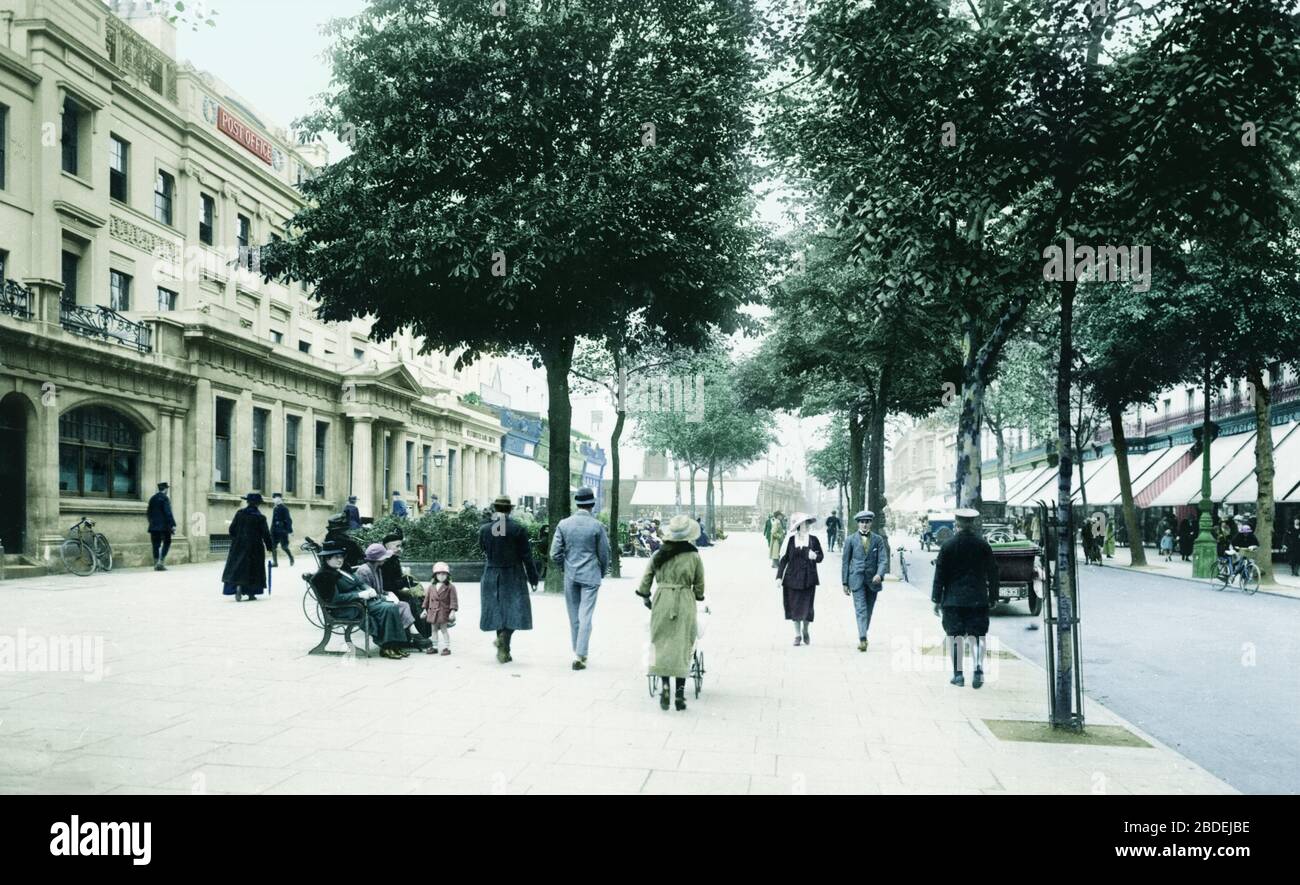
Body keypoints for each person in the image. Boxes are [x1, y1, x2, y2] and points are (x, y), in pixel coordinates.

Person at [636, 515, 706, 712]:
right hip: (684, 600)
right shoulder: (694, 556)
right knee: (683, 645)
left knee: (662, 643)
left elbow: (646, 579)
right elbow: (699, 584)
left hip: (662, 600)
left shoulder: (658, 554)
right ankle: (680, 695)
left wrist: (646, 597)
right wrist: (698, 596)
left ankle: (665, 687)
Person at [931, 508, 1000, 689]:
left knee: (955, 637)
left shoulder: (947, 546)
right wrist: (993, 596)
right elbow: (993, 572)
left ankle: (958, 675)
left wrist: (936, 599)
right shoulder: (983, 545)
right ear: (973, 523)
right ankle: (977, 671)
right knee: (978, 636)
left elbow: (940, 575)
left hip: (953, 601)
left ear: (957, 523)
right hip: (977, 599)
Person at [311, 545, 410, 659]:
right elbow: (335, 599)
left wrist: (367, 588)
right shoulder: (324, 576)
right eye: (336, 557)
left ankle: (393, 646)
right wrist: (359, 594)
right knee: (388, 608)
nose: (340, 560)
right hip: (345, 608)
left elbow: (359, 582)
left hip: (359, 603)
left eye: (341, 557)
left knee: (391, 606)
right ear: (327, 559)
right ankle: (387, 646)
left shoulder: (343, 569)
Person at [549, 487, 611, 671]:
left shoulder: (564, 524)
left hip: (571, 574)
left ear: (577, 503)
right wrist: (601, 571)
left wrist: (564, 566)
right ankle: (580, 655)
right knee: (586, 616)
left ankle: (577, 650)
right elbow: (604, 554)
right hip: (591, 575)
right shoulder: (597, 526)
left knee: (573, 615)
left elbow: (554, 553)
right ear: (592, 504)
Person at [479, 495, 539, 664]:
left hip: (491, 573)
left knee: (497, 611)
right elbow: (527, 556)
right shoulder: (518, 529)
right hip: (513, 574)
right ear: (510, 509)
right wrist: (533, 578)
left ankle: (504, 648)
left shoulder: (484, 529)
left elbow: (483, 548)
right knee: (514, 610)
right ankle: (505, 639)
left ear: (494, 508)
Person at [354, 543, 428, 649]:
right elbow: (368, 593)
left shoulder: (378, 569)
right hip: (368, 604)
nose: (386, 559)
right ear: (378, 559)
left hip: (377, 600)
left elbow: (379, 590)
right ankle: (413, 637)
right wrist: (386, 597)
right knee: (396, 607)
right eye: (384, 557)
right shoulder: (364, 571)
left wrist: (388, 593)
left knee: (404, 605)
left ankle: (414, 634)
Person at [841, 510, 888, 651]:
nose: (865, 525)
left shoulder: (878, 540)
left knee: (868, 610)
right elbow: (845, 562)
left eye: (867, 522)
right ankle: (863, 638)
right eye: (862, 522)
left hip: (873, 581)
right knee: (861, 609)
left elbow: (883, 560)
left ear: (871, 523)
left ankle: (863, 633)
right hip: (856, 579)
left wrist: (879, 574)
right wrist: (844, 582)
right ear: (858, 524)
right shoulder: (850, 540)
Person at [777, 513, 824, 646]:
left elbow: (821, 557)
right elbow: (784, 560)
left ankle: (805, 629)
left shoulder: (813, 540)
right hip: (792, 579)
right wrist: (779, 577)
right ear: (798, 526)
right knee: (794, 606)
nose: (807, 526)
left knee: (807, 607)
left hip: (809, 579)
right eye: (804, 524)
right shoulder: (790, 541)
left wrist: (815, 556)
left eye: (808, 523)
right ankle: (797, 635)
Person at [380, 529, 431, 641]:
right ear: (387, 546)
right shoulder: (385, 561)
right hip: (389, 593)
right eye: (396, 546)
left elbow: (396, 579)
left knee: (423, 596)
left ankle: (424, 631)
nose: (399, 549)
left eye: (400, 546)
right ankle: (417, 636)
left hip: (395, 590)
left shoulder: (393, 559)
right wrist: (404, 584)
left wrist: (408, 580)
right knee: (412, 600)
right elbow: (387, 584)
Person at [222, 493, 273, 602]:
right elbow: (266, 534)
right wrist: (270, 546)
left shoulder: (239, 514)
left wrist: (238, 539)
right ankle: (251, 593)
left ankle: (238, 585)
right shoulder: (260, 517)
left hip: (238, 546)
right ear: (258, 504)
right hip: (255, 547)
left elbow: (231, 530)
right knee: (253, 569)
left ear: (247, 502)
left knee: (238, 567)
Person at [422, 561, 459, 656]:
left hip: (443, 612)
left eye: (444, 574)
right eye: (439, 574)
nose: (441, 576)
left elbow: (453, 600)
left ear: (447, 575)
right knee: (433, 629)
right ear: (435, 575)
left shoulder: (450, 587)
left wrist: (453, 611)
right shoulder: (431, 587)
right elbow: (427, 599)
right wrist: (424, 610)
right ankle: (434, 647)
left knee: (444, 629)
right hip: (432, 612)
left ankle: (446, 647)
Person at [146, 481, 176, 571]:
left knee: (155, 544)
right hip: (164, 527)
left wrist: (151, 522)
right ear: (166, 489)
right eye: (167, 489)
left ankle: (156, 563)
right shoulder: (165, 498)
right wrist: (172, 524)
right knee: (167, 542)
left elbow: (148, 513)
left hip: (153, 526)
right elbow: (168, 512)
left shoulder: (152, 498)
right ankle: (161, 562)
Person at [270, 493, 294, 567]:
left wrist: (289, 530)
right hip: (275, 531)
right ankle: (275, 562)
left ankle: (291, 557)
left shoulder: (284, 508)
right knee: (273, 546)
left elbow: (288, 520)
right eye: (274, 498)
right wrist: (271, 530)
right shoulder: (275, 508)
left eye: (276, 498)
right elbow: (273, 520)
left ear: (280, 499)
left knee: (284, 547)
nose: (275, 500)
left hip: (282, 531)